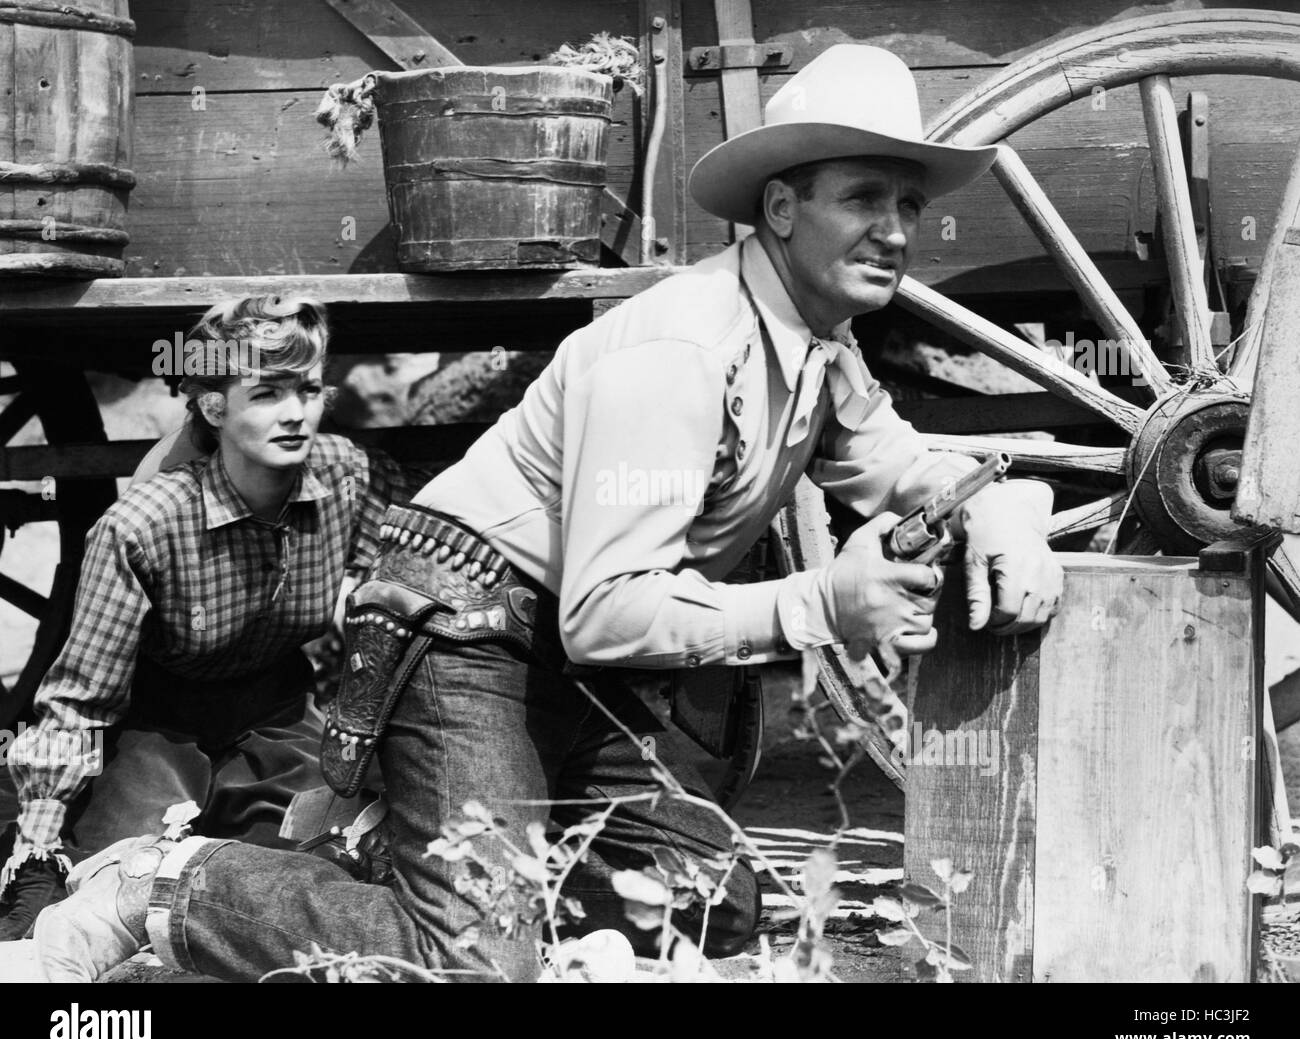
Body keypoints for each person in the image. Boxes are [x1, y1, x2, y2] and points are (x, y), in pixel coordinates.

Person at [31, 44, 1062, 982]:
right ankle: (167, 879)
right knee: (475, 964)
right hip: (469, 636)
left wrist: (1003, 501)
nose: (893, 230)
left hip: (584, 664)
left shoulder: (814, 344)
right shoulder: (683, 352)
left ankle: (422, 867)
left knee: (706, 920)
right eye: (863, 197)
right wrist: (821, 604)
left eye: (909, 204)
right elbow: (608, 612)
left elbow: (895, 461)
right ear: (783, 209)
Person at [0, 296, 410, 940]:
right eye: (267, 392)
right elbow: (80, 699)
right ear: (215, 406)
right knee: (115, 887)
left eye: (308, 389)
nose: (296, 412)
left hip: (278, 708)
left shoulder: (348, 476)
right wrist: (38, 840)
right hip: (156, 719)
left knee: (313, 879)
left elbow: (399, 585)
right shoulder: (143, 525)